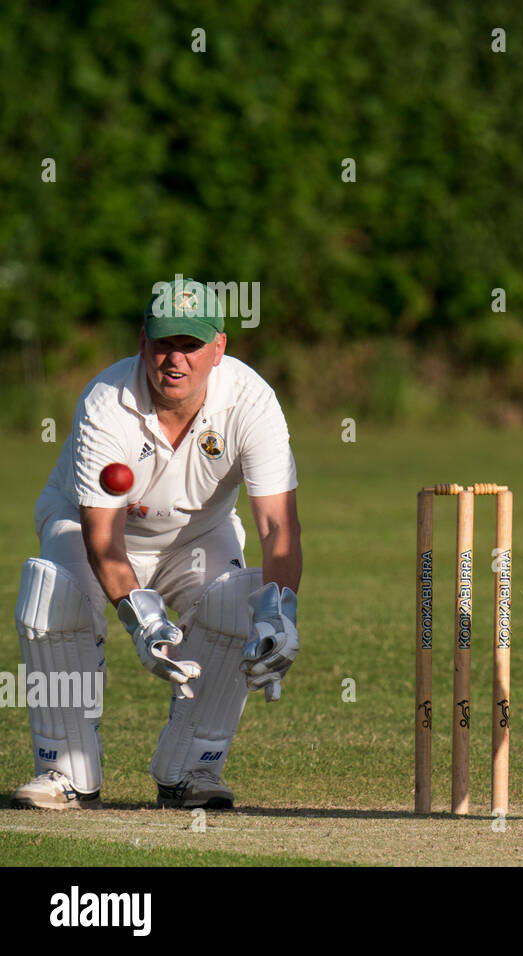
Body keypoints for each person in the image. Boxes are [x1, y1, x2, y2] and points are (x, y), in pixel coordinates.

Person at [11, 276, 301, 810]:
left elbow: (278, 526)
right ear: (143, 342)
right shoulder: (105, 402)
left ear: (218, 349)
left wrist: (280, 613)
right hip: (88, 526)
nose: (176, 359)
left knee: (241, 603)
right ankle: (64, 770)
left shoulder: (252, 402)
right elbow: (102, 534)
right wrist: (139, 616)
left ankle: (192, 769)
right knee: (53, 598)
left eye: (191, 345)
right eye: (165, 343)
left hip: (199, 531)